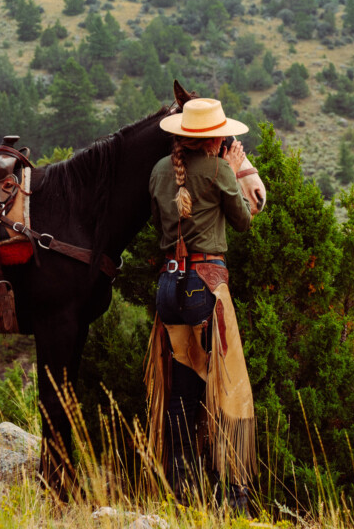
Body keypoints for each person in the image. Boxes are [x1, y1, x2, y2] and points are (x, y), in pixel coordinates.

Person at [145, 97, 265, 508]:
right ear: (214, 138)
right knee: (224, 387)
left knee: (180, 392)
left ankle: (180, 483)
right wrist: (230, 173)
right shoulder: (217, 168)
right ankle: (233, 494)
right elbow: (245, 220)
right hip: (205, 284)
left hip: (168, 286)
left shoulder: (160, 171)